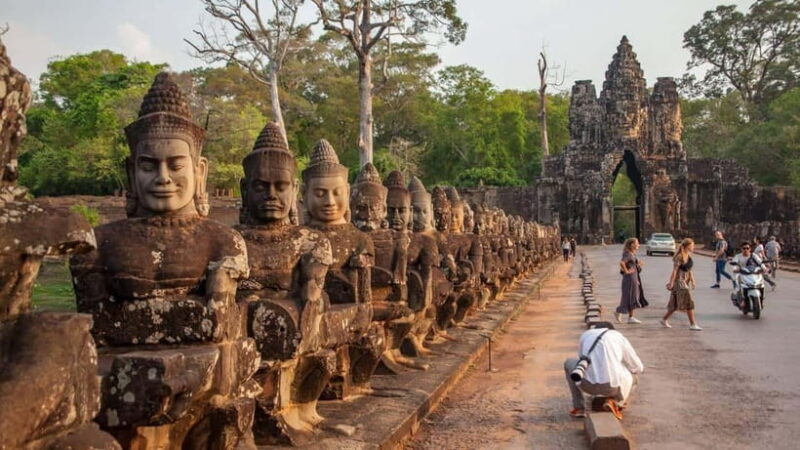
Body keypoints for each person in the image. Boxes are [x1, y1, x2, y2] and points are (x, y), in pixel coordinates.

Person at [564, 324, 644, 419]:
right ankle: (616, 402)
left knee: (568, 363)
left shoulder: (585, 335)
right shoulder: (618, 336)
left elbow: (582, 358)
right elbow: (638, 367)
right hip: (613, 387)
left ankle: (579, 408)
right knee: (634, 376)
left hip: (587, 385)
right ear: (612, 330)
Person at [661, 238, 702, 330]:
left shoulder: (689, 256)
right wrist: (671, 283)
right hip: (680, 282)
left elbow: (689, 270)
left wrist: (692, 280)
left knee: (674, 304)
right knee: (688, 302)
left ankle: (664, 319)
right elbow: (675, 271)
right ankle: (693, 324)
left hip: (685, 281)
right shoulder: (679, 257)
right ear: (687, 246)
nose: (693, 247)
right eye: (692, 245)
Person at [616, 237, 644, 324]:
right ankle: (621, 312)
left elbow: (632, 265)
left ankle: (630, 316)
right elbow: (622, 262)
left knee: (633, 296)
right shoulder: (628, 253)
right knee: (629, 296)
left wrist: (638, 265)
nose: (638, 245)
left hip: (633, 277)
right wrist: (627, 271)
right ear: (632, 245)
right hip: (629, 278)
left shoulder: (632, 253)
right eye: (637, 243)